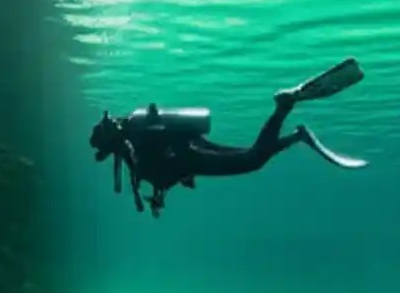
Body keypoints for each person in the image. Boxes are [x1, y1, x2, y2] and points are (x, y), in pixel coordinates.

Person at [89, 58, 368, 218]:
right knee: (252, 156)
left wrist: (150, 196)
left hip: (188, 156)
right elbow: (142, 173)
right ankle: (295, 136)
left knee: (252, 160)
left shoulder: (128, 147)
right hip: (189, 150)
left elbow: (141, 172)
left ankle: (284, 107)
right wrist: (156, 196)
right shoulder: (129, 141)